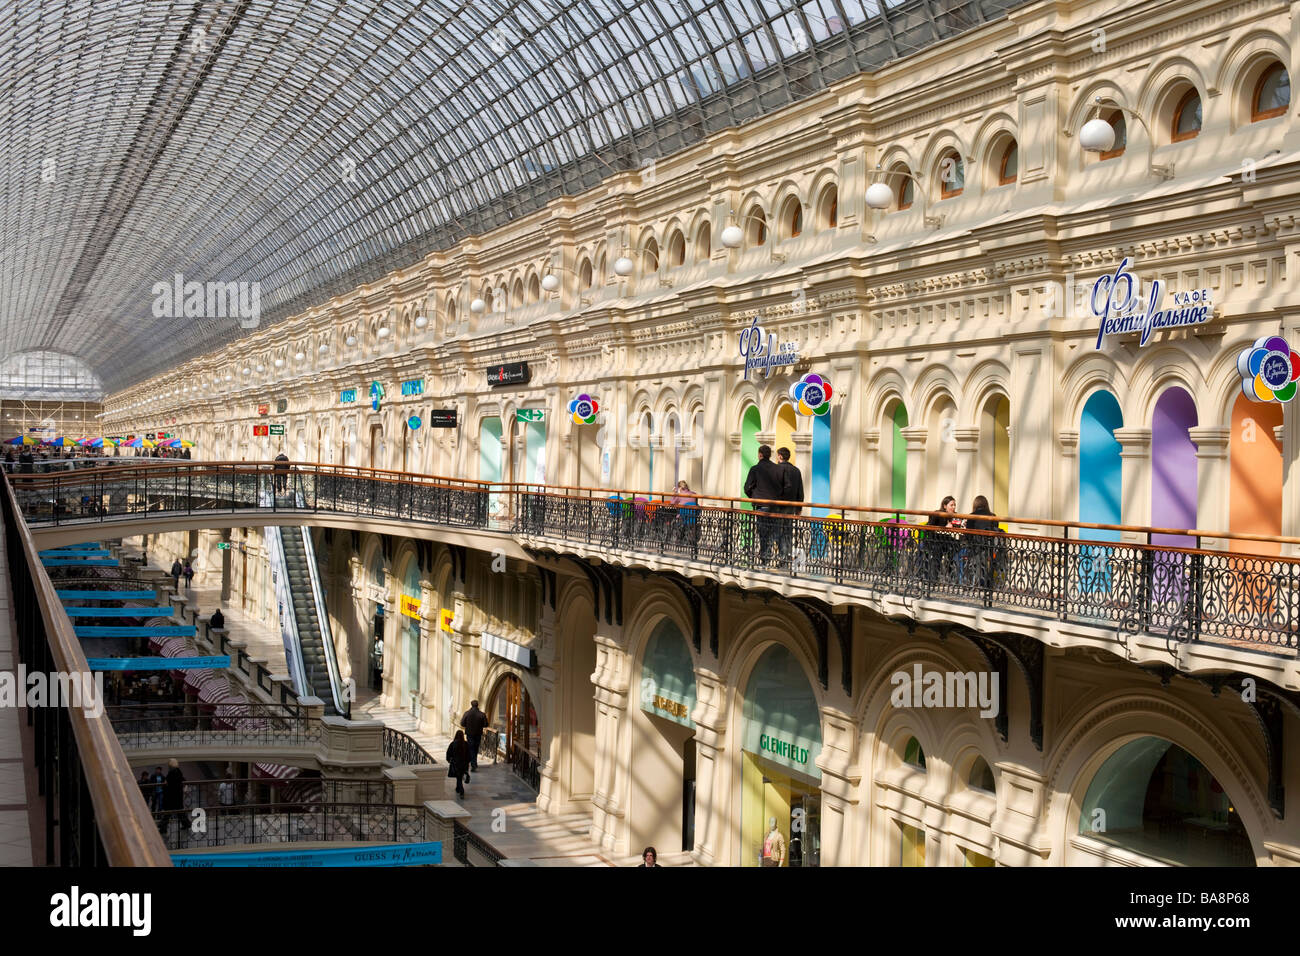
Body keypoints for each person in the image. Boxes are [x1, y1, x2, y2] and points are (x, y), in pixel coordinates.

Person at [743, 445, 785, 565]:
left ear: (760, 454)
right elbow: (783, 488)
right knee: (775, 532)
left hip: (761, 505)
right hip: (775, 505)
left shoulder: (755, 469)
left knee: (763, 532)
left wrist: (754, 496)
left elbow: (747, 487)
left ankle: (765, 558)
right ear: (770, 455)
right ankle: (780, 558)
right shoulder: (778, 469)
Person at [963, 495, 1003, 589]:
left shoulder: (972, 516)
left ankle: (969, 582)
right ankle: (987, 583)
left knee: (963, 553)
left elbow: (969, 535)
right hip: (991, 548)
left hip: (976, 547)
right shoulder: (993, 516)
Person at [775, 447, 805, 565]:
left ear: (780, 456)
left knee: (776, 530)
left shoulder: (776, 469)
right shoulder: (796, 471)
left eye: (777, 456)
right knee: (787, 531)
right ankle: (786, 556)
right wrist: (799, 508)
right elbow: (800, 491)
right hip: (791, 506)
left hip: (778, 505)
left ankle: (782, 556)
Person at [922, 496, 961, 582]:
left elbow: (958, 528)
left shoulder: (956, 516)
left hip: (947, 541)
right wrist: (944, 528)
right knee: (937, 552)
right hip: (935, 541)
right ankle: (933, 579)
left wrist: (962, 525)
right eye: (951, 505)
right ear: (944, 506)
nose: (954, 507)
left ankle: (952, 577)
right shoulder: (938, 514)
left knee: (956, 548)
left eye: (955, 505)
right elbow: (928, 528)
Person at [461, 700, 488, 773]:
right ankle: (474, 764)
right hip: (478, 734)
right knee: (475, 749)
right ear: (477, 705)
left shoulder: (467, 713)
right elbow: (486, 724)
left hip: (470, 734)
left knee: (471, 748)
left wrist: (468, 725)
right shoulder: (482, 714)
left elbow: (462, 723)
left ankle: (473, 764)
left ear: (471, 705)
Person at [161, 758, 186, 834]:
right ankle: (186, 824)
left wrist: (165, 784)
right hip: (178, 795)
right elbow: (182, 780)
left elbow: (168, 784)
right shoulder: (179, 771)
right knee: (180, 811)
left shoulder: (171, 773)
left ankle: (163, 828)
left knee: (168, 812)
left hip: (171, 796)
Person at [446, 730, 470, 797]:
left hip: (456, 764)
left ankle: (461, 791)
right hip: (464, 764)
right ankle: (457, 788)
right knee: (459, 776)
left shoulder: (453, 743)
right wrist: (468, 762)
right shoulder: (466, 744)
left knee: (459, 777)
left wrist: (449, 760)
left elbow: (448, 753)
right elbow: (469, 755)